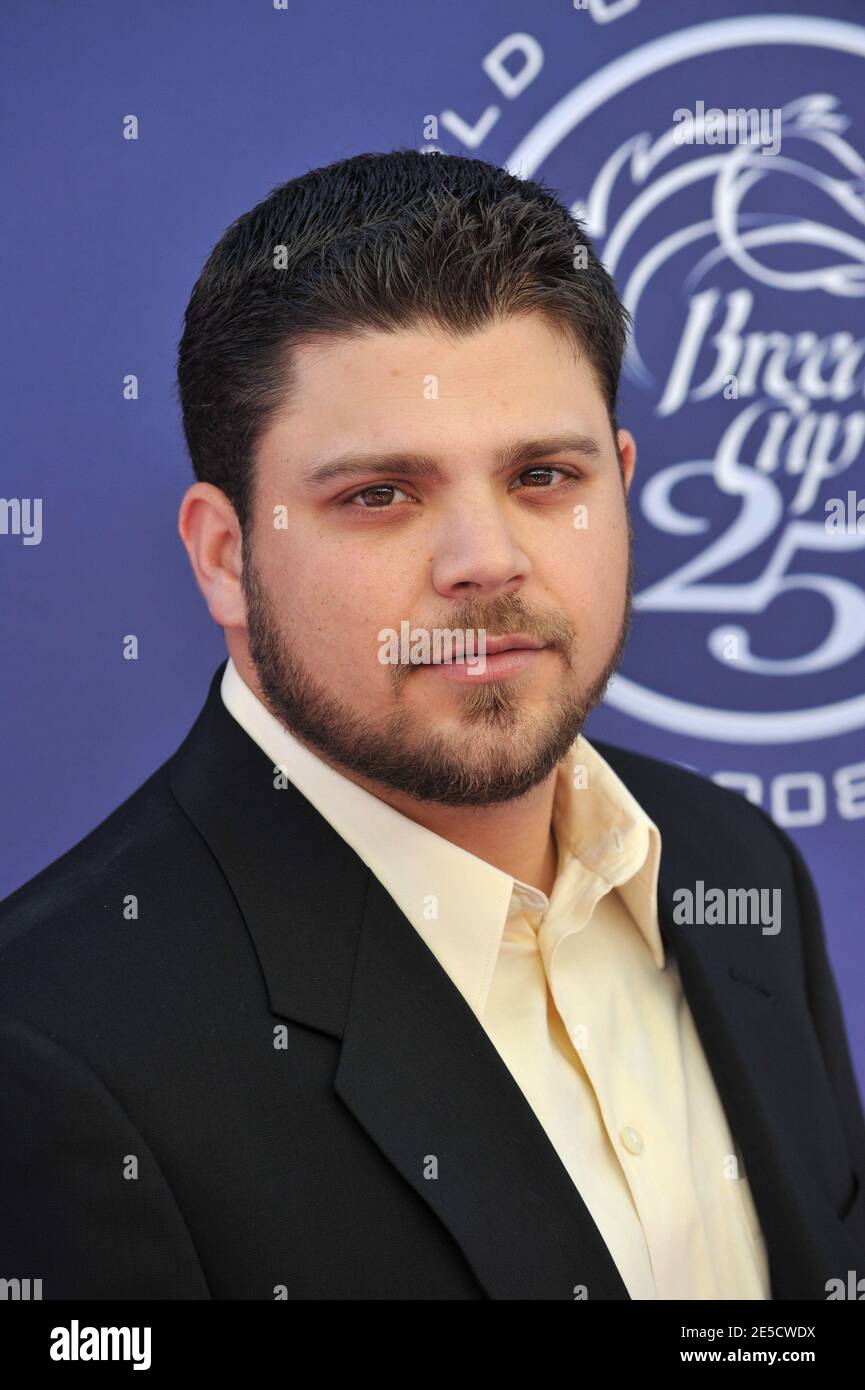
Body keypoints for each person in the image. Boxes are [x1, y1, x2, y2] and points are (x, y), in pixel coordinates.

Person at [1, 150, 862, 1300]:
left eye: (543, 477)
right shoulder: (47, 1050)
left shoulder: (732, 866)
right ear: (223, 553)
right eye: (378, 495)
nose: (486, 560)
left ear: (619, 482)